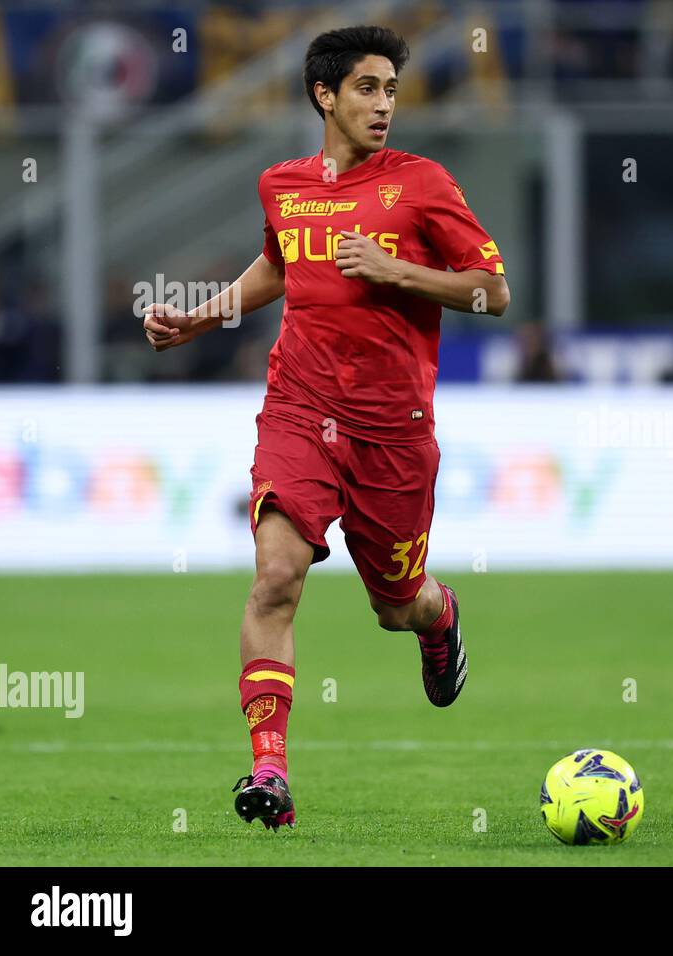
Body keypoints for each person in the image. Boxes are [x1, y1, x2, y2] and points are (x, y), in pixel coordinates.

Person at [142, 25, 510, 830]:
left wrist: (398, 271)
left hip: (394, 430)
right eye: (368, 88)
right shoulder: (283, 184)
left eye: (390, 89)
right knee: (276, 577)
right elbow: (280, 265)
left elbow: (493, 292)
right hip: (300, 409)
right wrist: (201, 322)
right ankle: (269, 772)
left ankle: (438, 616)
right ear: (325, 95)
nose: (384, 105)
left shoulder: (422, 185)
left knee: (395, 603)